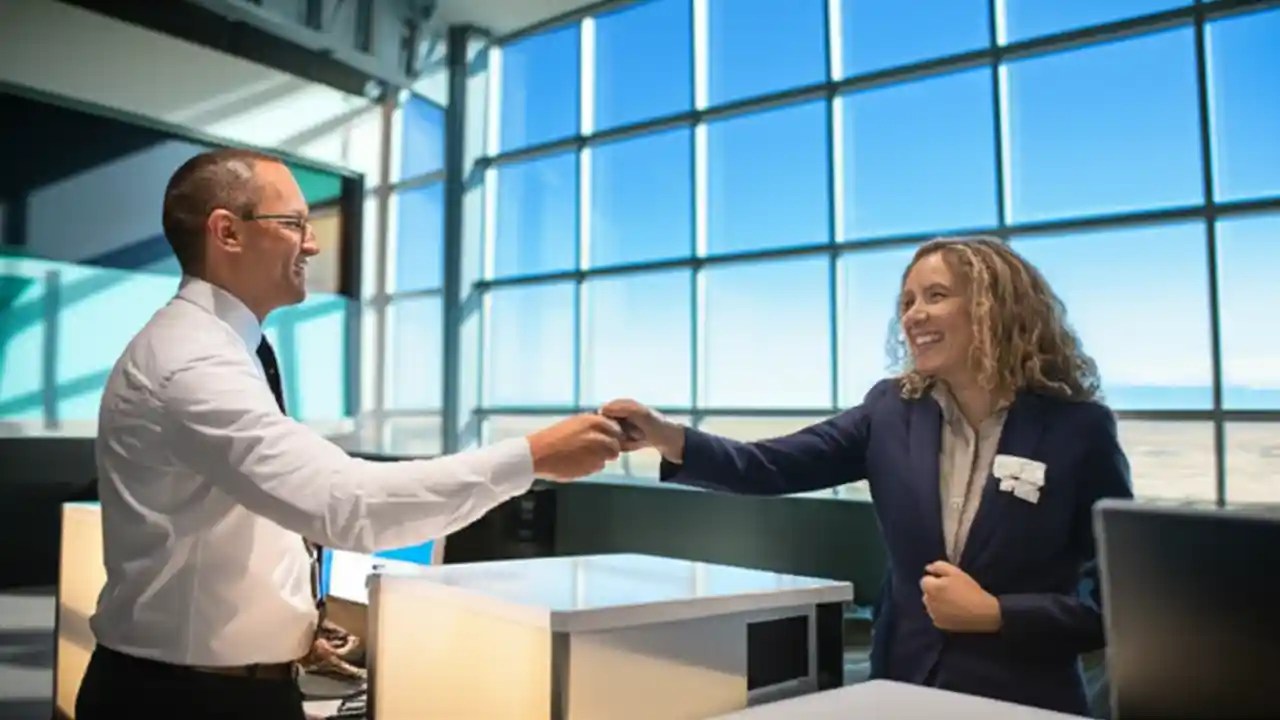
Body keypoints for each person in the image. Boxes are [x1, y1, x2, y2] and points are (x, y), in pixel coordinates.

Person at [75, 148, 624, 720]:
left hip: (217, 684)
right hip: (185, 701)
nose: (312, 245)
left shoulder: (220, 350)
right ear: (227, 233)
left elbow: (245, 515)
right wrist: (533, 458)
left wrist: (287, 628)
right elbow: (347, 504)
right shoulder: (192, 363)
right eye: (294, 225)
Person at [603, 236, 1133, 716]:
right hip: (901, 689)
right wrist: (667, 435)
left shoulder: (1077, 430)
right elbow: (770, 465)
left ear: (996, 307)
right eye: (907, 303)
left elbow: (1114, 599)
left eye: (935, 296)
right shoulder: (889, 411)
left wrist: (999, 614)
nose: (913, 316)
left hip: (1024, 700)